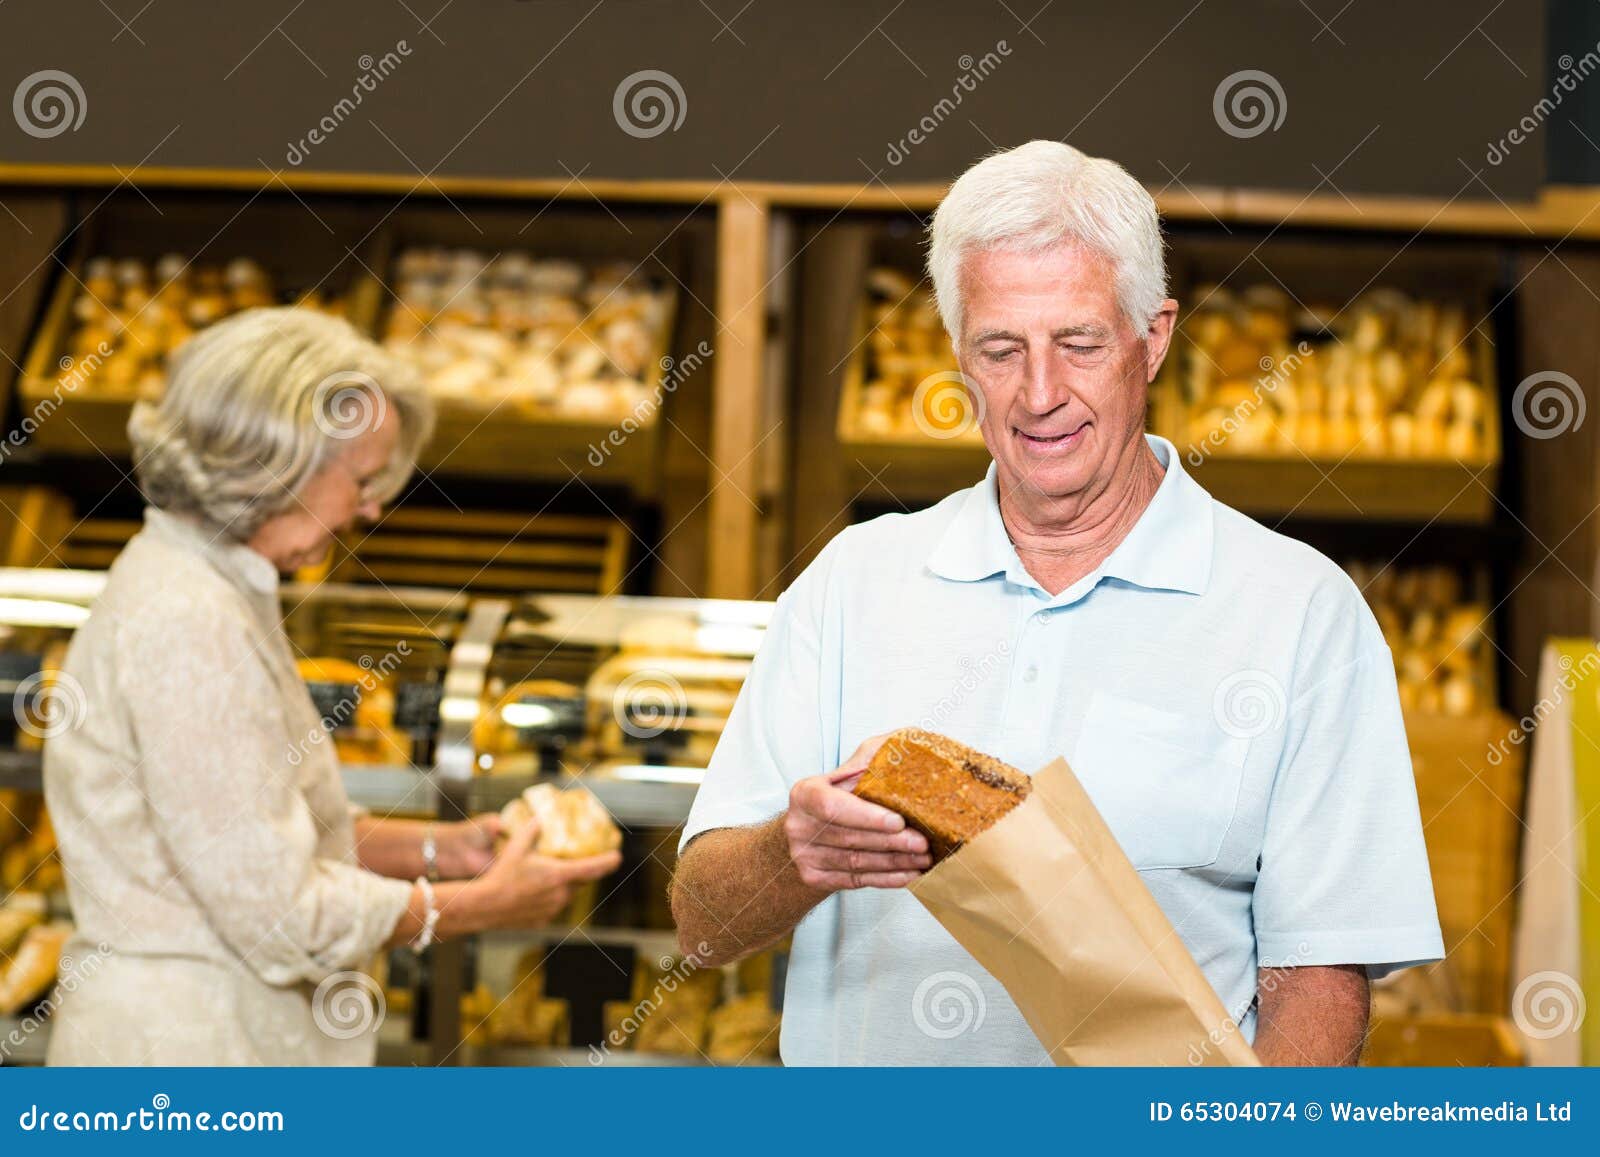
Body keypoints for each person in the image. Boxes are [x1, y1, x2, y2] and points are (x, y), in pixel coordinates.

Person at [671, 141, 1443, 1066]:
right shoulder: (853, 581)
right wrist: (794, 853)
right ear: (960, 354)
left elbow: (1319, 973)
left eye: (1079, 344)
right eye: (1002, 349)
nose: (1040, 396)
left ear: (1152, 338)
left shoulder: (1301, 611)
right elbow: (703, 927)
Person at [44, 307, 619, 1065]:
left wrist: (443, 848)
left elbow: (259, 827)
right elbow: (278, 911)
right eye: (362, 477)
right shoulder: (188, 618)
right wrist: (479, 906)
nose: (372, 507)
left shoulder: (214, 582)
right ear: (275, 459)